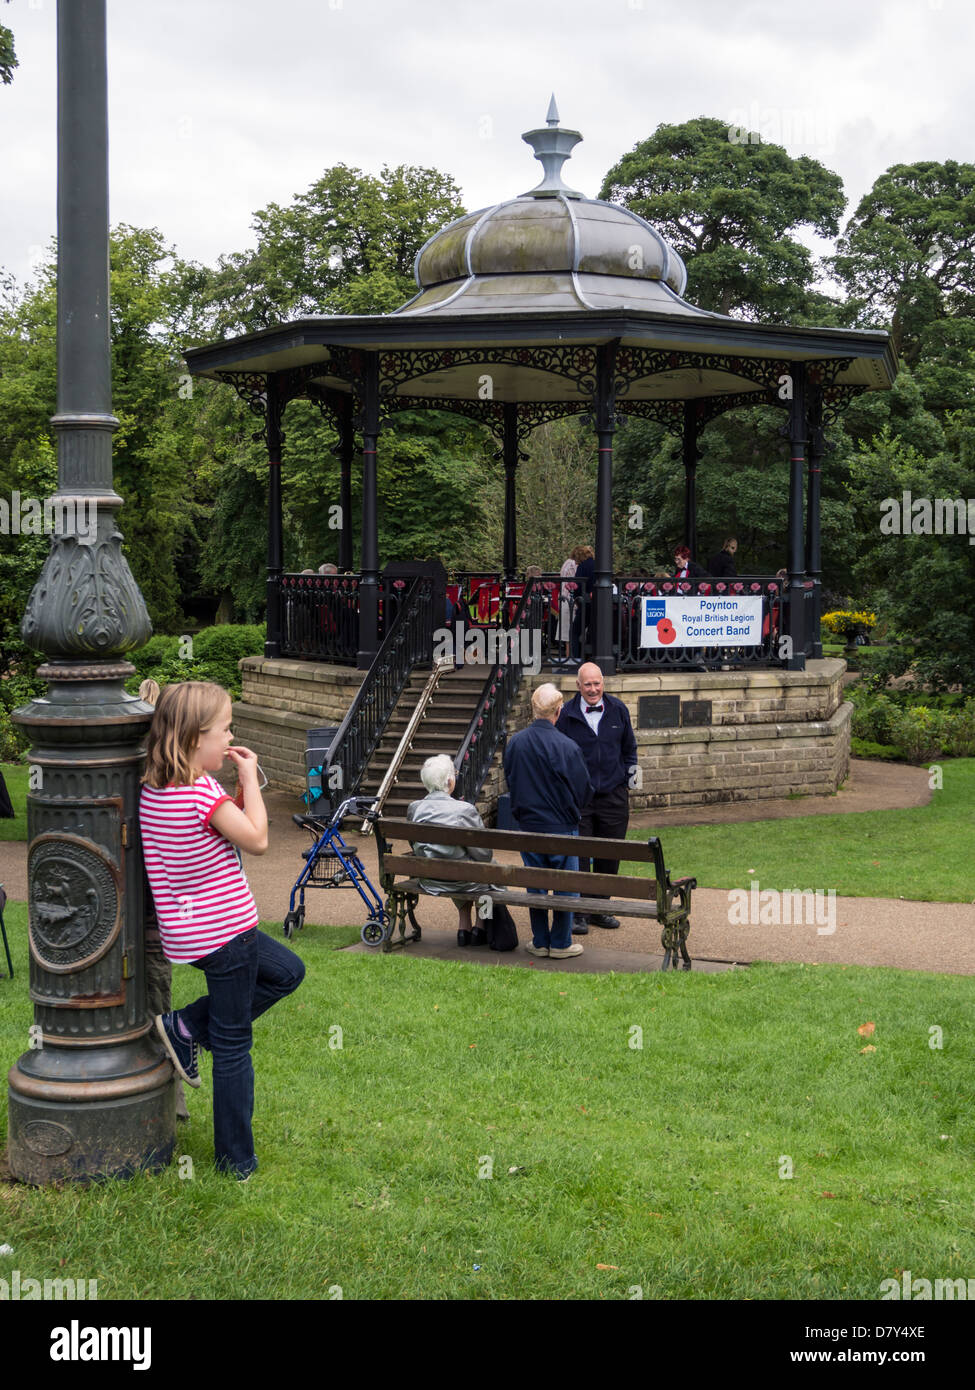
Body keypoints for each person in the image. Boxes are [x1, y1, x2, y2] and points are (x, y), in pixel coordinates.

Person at [139, 681, 305, 1180]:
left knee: (288, 971)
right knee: (234, 1045)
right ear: (193, 738)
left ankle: (186, 1025)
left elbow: (210, 834)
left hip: (192, 933)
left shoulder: (156, 788)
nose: (231, 736)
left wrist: (234, 793)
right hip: (227, 932)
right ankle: (236, 1161)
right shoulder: (199, 791)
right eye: (225, 729)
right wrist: (251, 780)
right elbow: (256, 838)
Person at [502, 683, 591, 959]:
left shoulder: (515, 743)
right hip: (562, 827)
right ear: (559, 710)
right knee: (565, 886)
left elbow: (511, 781)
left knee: (536, 884)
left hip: (529, 825)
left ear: (533, 709)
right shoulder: (567, 746)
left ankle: (541, 940)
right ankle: (561, 942)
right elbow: (584, 790)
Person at [556, 663, 637, 932]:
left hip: (614, 796)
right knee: (580, 856)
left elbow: (630, 750)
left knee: (609, 854)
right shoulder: (565, 714)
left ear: (604, 683)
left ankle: (601, 908)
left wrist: (628, 785)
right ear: (578, 686)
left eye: (597, 683)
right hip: (580, 799)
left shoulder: (618, 710)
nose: (593, 689)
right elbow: (559, 756)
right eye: (587, 684)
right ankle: (579, 912)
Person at [407, 754, 494, 947]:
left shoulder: (414, 808)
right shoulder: (465, 810)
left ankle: (464, 927)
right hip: (461, 879)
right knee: (486, 870)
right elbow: (484, 855)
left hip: (429, 878)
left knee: (456, 863)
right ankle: (481, 926)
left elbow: (413, 844)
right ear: (449, 781)